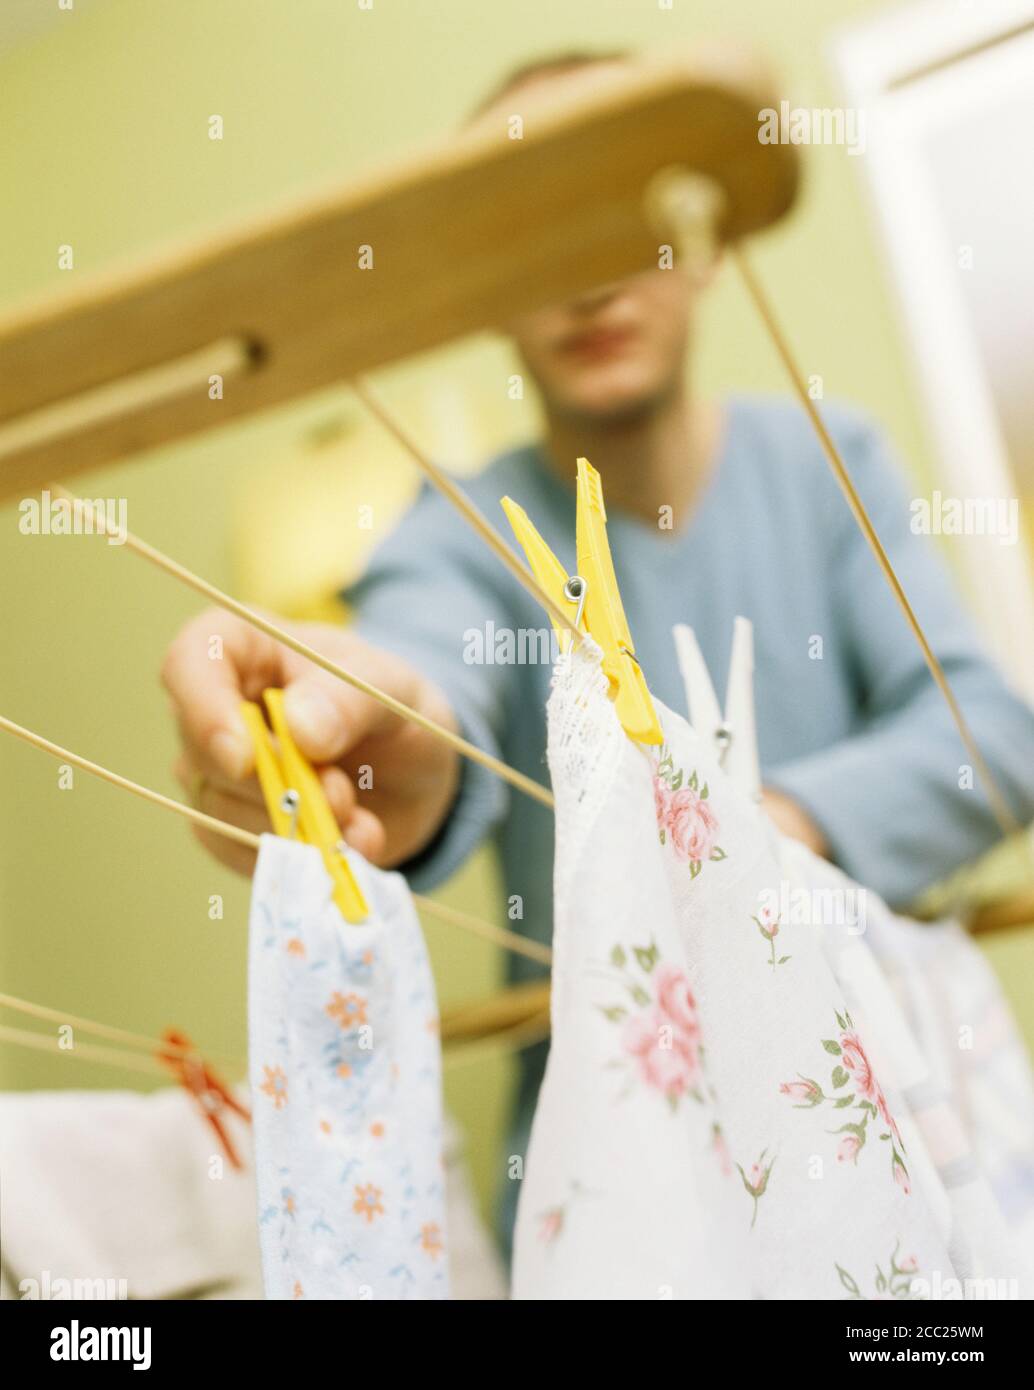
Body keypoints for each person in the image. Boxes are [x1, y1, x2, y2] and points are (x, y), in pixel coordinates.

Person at [160, 51, 1034, 1251]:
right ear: (481, 287)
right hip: (619, 1200)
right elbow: (416, 682)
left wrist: (737, 834)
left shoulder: (831, 465)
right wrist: (362, 743)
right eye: (534, 234)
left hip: (893, 1156)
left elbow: (987, 738)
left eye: (619, 217)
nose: (585, 281)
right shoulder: (454, 539)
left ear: (713, 244)